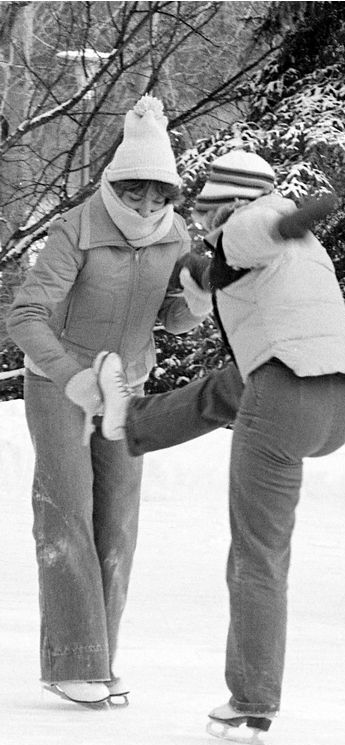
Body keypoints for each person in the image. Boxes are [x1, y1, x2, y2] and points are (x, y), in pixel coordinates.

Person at [93, 150, 345, 740]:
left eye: (206, 213)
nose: (201, 224)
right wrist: (200, 275)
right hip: (344, 399)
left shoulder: (253, 225)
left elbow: (254, 235)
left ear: (229, 205)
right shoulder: (297, 253)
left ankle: (252, 699)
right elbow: (221, 275)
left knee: (258, 555)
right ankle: (134, 420)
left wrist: (286, 219)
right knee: (231, 385)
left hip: (286, 396)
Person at [5, 95, 210, 708]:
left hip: (127, 389)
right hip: (59, 383)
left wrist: (197, 304)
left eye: (158, 197)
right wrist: (72, 376)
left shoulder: (175, 235)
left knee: (117, 519)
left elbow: (171, 319)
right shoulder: (76, 228)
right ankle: (72, 662)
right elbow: (25, 315)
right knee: (67, 512)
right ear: (115, 183)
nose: (145, 208)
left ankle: (99, 659)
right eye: (134, 194)